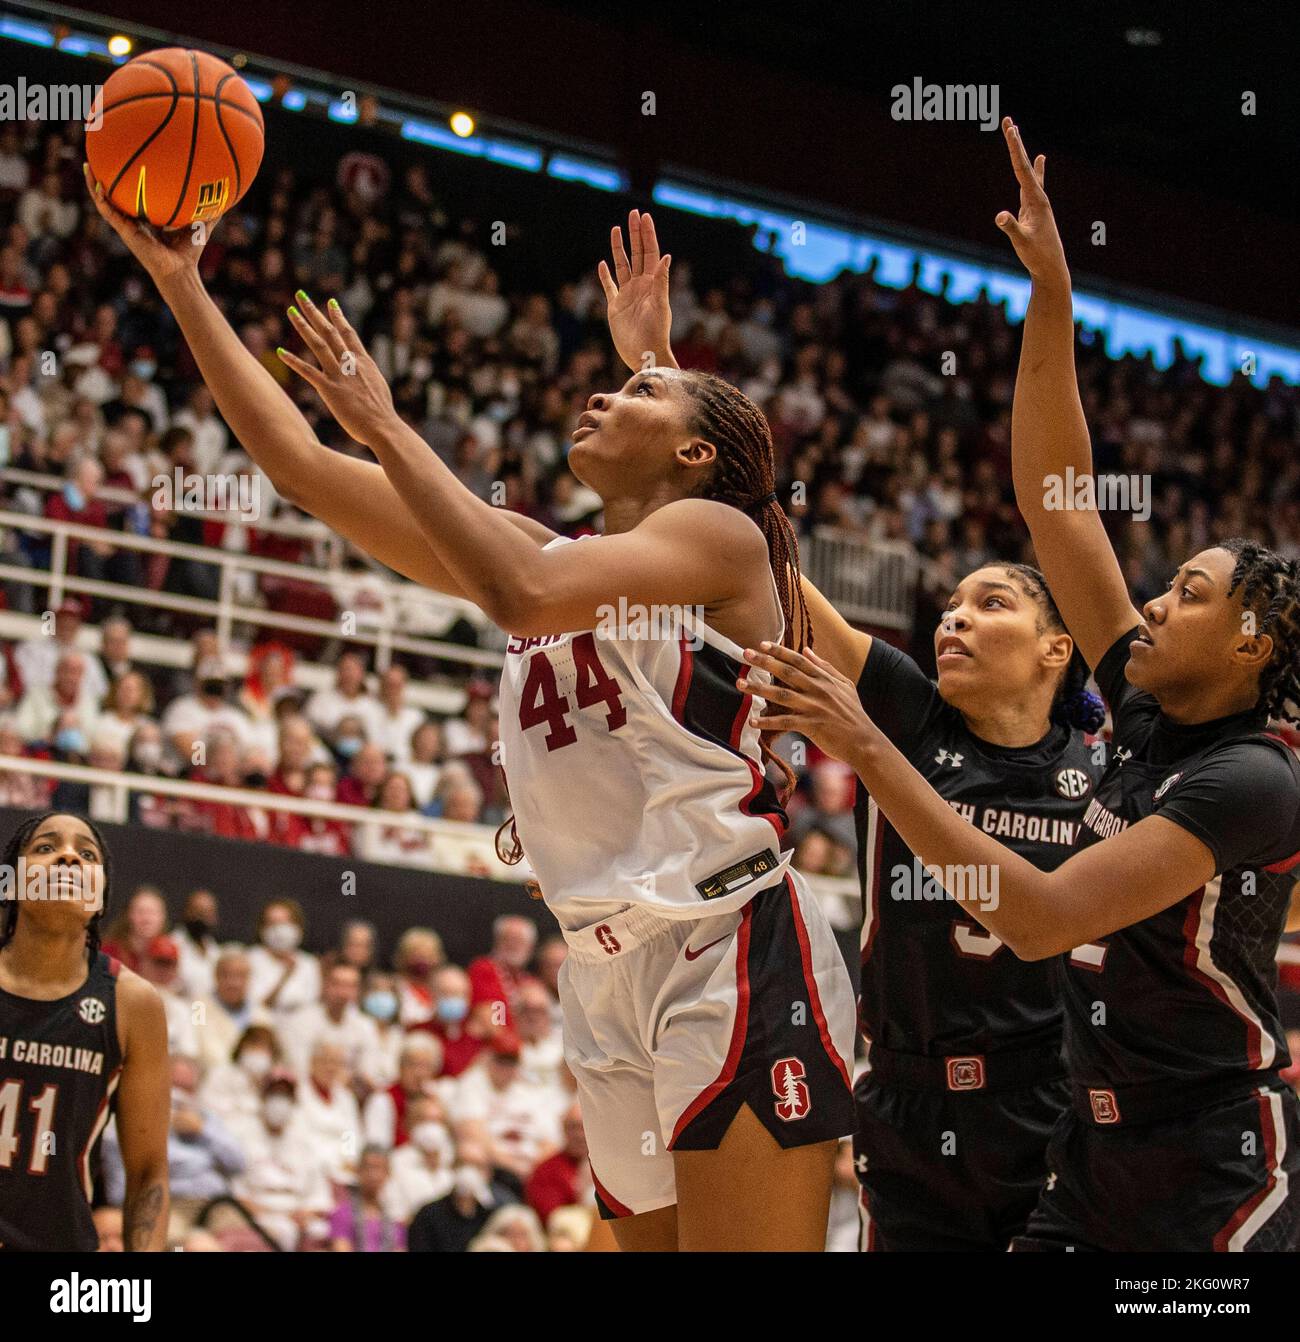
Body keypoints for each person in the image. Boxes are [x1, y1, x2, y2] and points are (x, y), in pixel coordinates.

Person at [96, 185, 855, 1251]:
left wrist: (389, 422)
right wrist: (180, 281)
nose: (594, 398)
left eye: (634, 395)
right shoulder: (545, 553)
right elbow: (303, 471)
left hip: (728, 941)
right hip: (597, 966)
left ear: (693, 459)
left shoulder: (721, 540)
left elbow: (515, 596)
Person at [745, 120, 1300, 1253]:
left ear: (1249, 643)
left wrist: (865, 745)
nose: (1147, 602)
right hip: (1085, 1162)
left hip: (1210, 1163)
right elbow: (1057, 503)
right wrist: (1052, 295)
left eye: (1184, 593)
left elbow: (1039, 915)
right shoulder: (1143, 709)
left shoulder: (1255, 777)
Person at [609, 210, 1109, 1250]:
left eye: (990, 606)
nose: (954, 619)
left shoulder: (1105, 763)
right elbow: (769, 572)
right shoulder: (908, 708)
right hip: (910, 1105)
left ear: (1058, 649)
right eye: (951, 606)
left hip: (1051, 1104)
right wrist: (661, 376)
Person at [0, 811, 170, 1250]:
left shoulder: (133, 1003)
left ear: (100, 896)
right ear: (11, 882)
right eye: (45, 847)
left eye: (86, 853)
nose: (69, 859)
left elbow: (149, 1173)